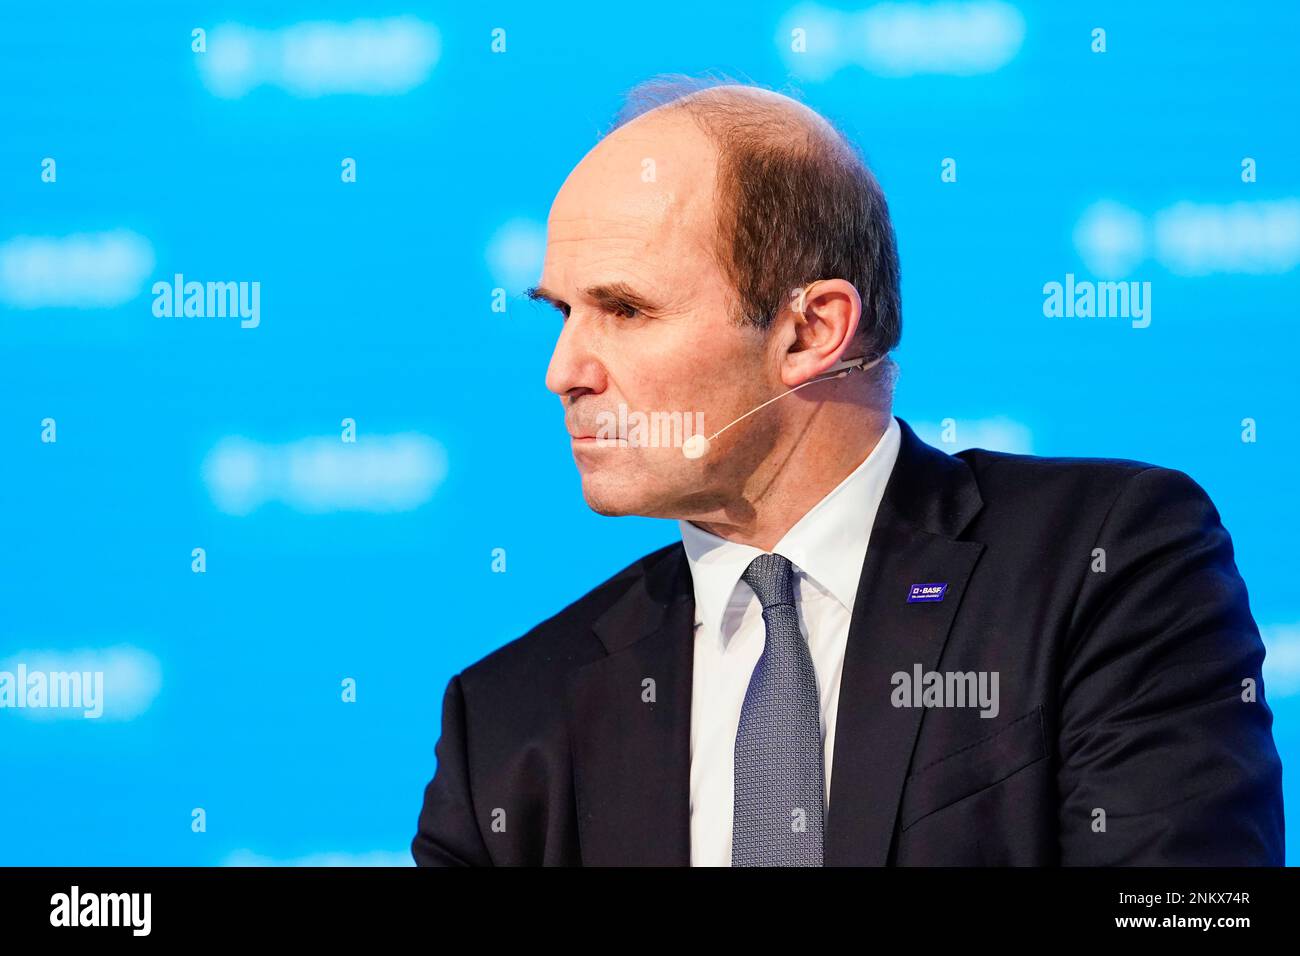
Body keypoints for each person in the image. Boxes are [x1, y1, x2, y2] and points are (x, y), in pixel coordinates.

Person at [411, 76, 1284, 866]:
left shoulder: (1102, 564)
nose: (564, 370)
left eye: (625, 309)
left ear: (810, 331)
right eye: (562, 312)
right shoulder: (510, 721)